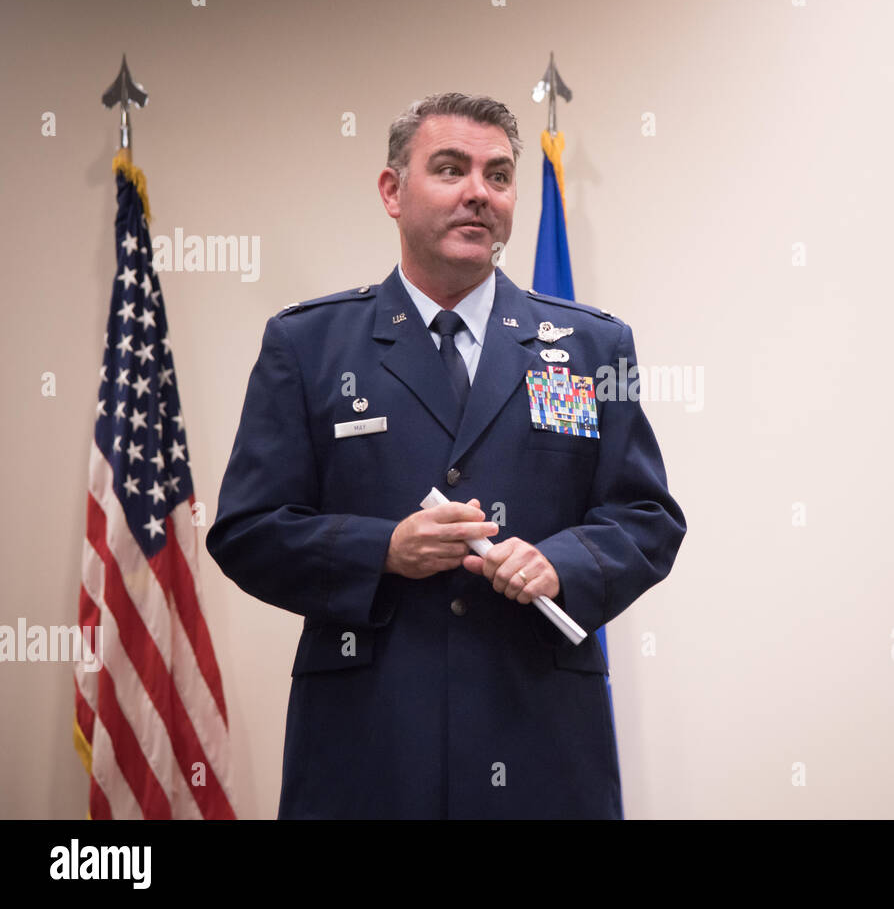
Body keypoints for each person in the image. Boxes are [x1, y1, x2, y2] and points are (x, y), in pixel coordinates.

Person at [205, 92, 686, 819]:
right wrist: (383, 550)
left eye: (499, 175)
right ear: (392, 192)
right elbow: (247, 530)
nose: (479, 193)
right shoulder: (308, 345)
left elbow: (647, 517)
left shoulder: (592, 346)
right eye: (452, 169)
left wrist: (564, 562)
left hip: (540, 737)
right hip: (371, 743)